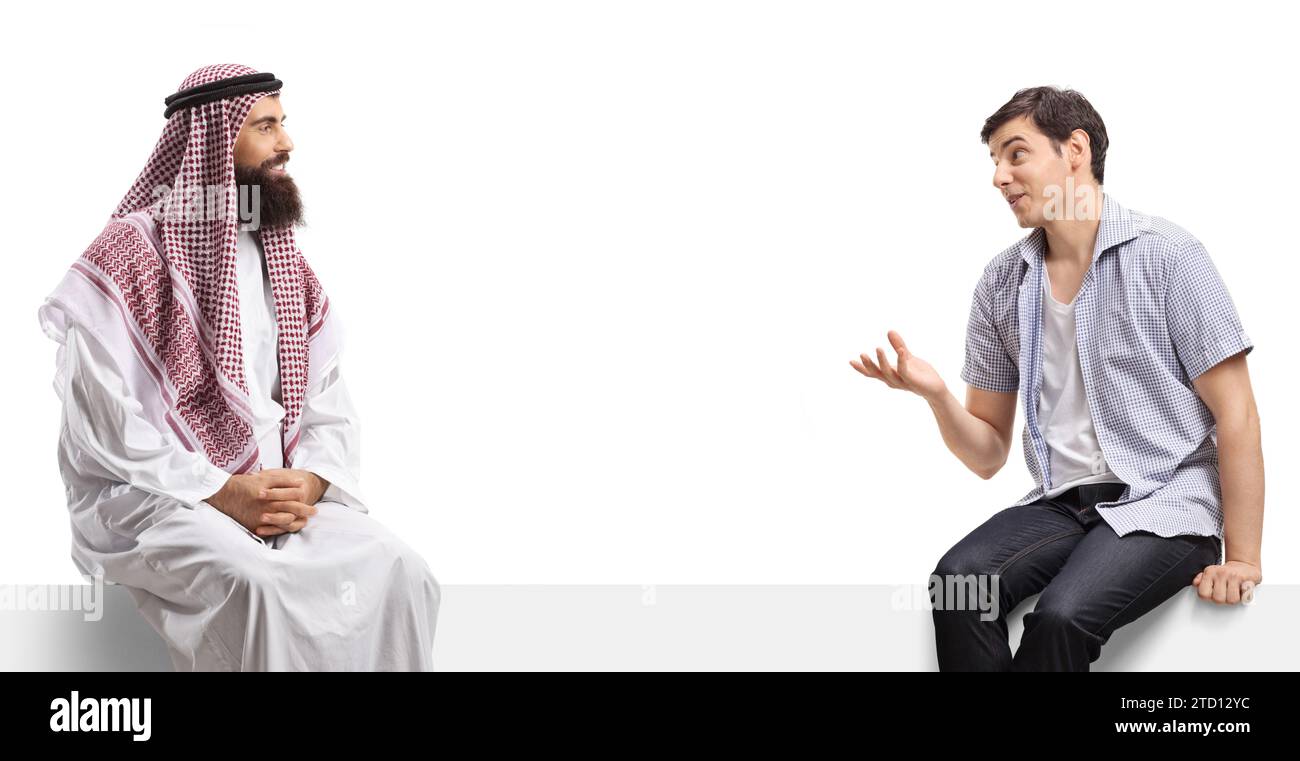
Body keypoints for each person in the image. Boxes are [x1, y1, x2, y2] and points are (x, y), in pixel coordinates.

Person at [38, 63, 441, 671]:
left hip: (270, 489)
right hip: (151, 499)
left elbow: (326, 402)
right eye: (266, 126)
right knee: (258, 588)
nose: (287, 143)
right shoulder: (127, 256)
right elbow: (106, 431)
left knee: (401, 568)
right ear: (214, 143)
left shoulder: (282, 261)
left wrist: (310, 481)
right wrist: (224, 493)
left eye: (284, 123)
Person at [850, 86, 1264, 671]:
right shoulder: (1003, 282)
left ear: (1075, 149)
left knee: (1062, 616)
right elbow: (988, 452)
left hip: (1165, 505)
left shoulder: (1168, 256)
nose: (999, 176)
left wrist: (1243, 559)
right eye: (994, 160)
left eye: (1015, 154)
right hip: (1063, 506)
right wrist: (938, 396)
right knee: (958, 583)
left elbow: (1237, 414)